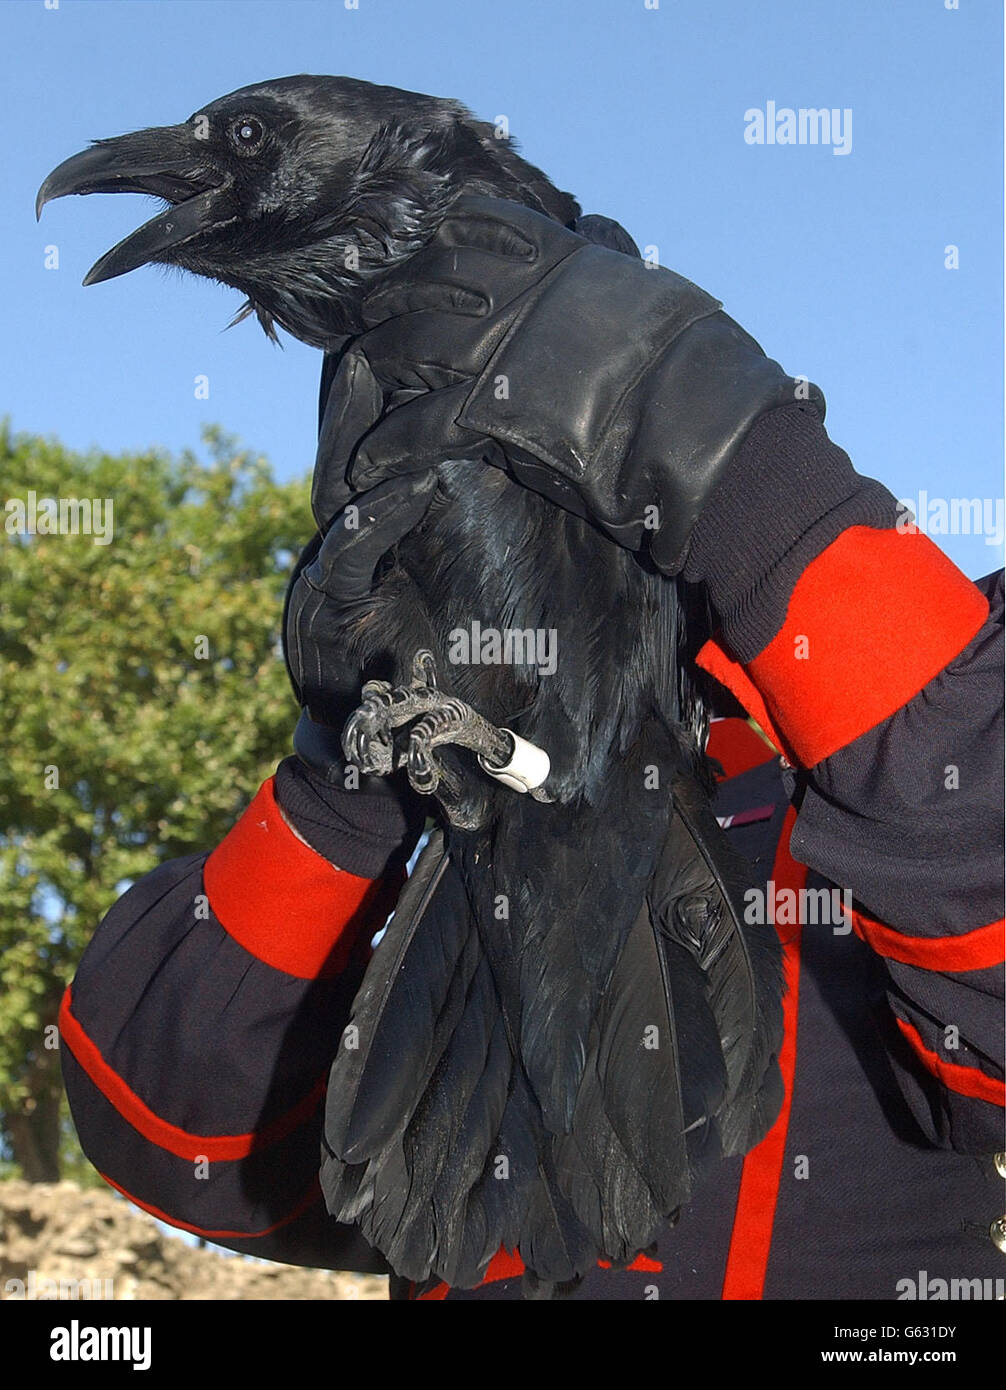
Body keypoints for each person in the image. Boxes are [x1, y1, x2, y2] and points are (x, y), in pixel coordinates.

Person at [58, 197, 1004, 1301]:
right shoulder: (479, 771)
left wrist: (759, 486)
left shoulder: (914, 702)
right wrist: (345, 775)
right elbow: (186, 1145)